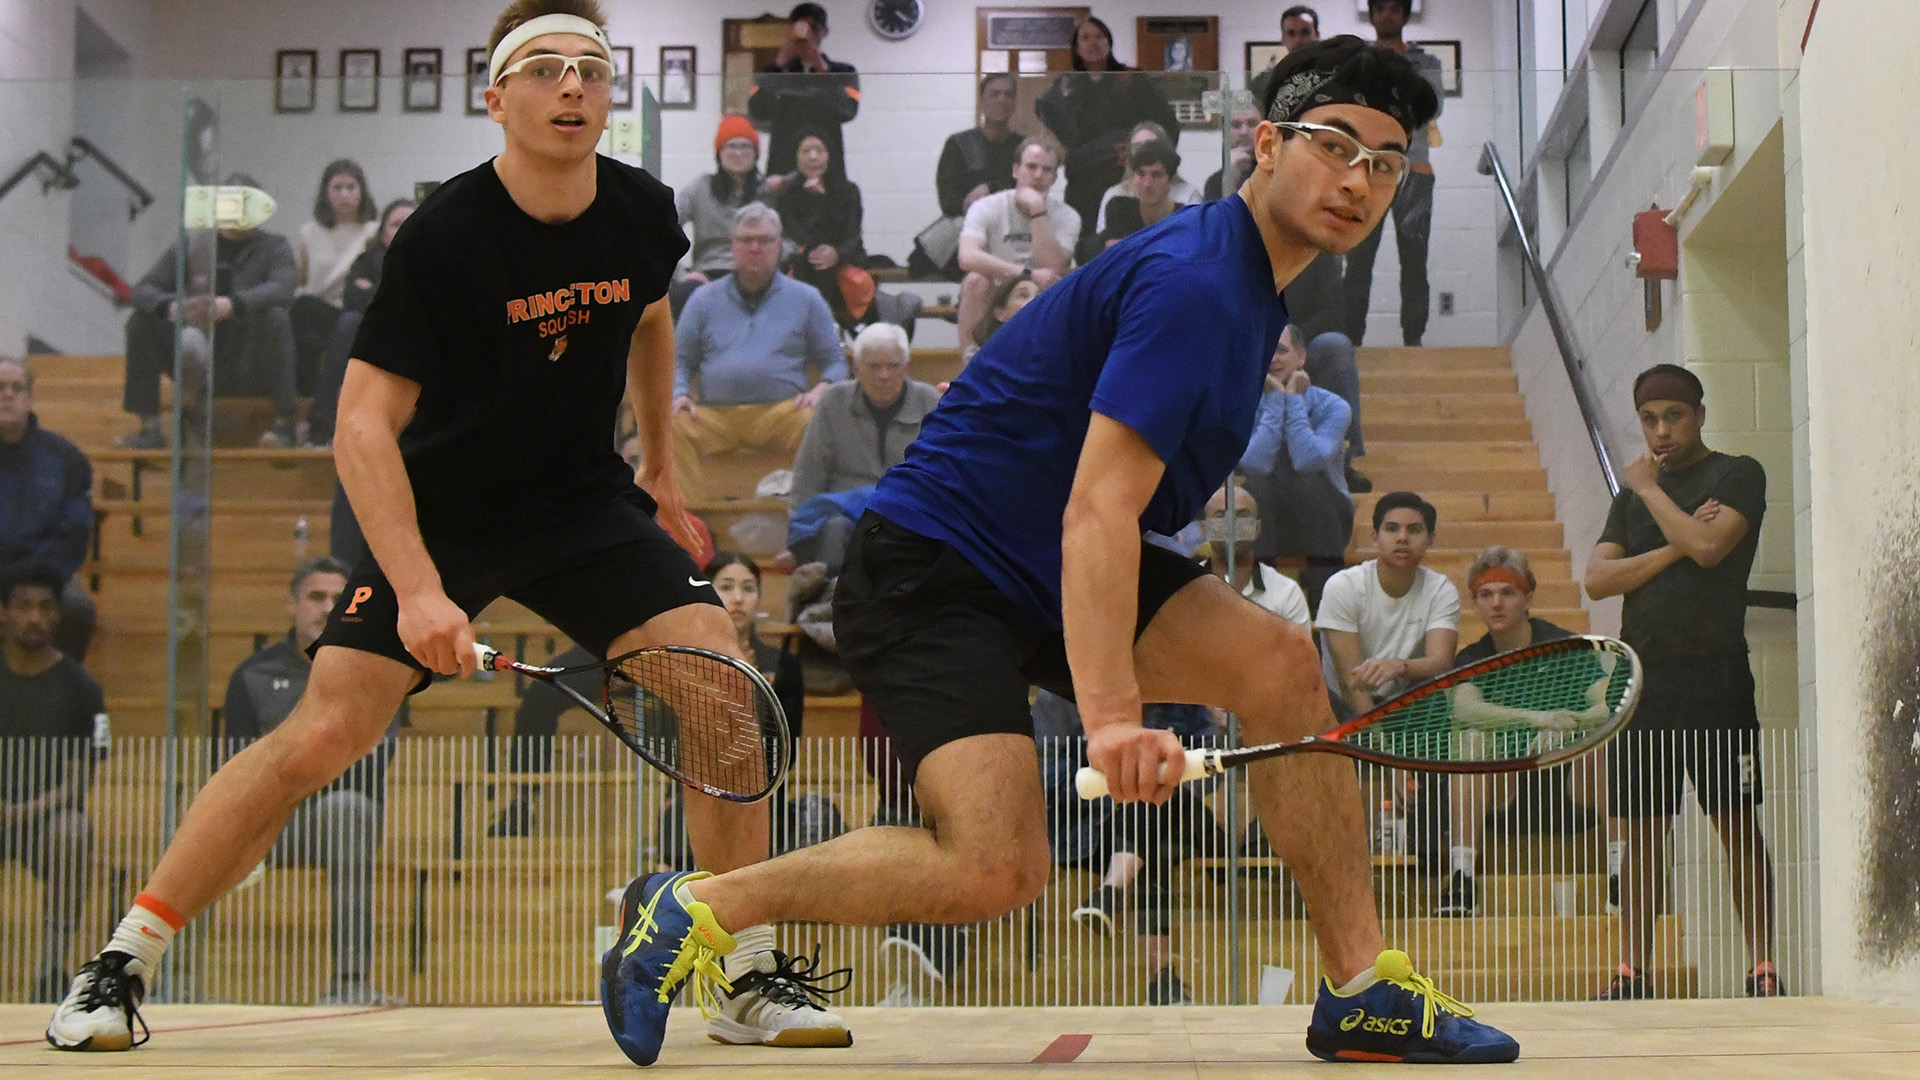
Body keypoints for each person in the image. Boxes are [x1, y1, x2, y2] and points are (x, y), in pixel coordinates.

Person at [603, 38, 1514, 1068]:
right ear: (1267, 145)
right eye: (1336, 144)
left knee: (1279, 665)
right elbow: (1098, 512)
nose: (1360, 179)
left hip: (1035, 559)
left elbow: (1103, 519)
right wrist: (1115, 720)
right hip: (935, 567)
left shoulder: (1253, 290)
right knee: (998, 870)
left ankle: (1363, 992)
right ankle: (695, 906)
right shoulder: (1201, 283)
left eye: (1387, 162)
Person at [49, 0, 850, 1054]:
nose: (572, 87)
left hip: (581, 502)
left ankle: (740, 972)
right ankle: (120, 965)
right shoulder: (444, 238)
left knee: (725, 697)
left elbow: (649, 316)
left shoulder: (643, 208)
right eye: (545, 68)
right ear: (497, 96)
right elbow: (360, 428)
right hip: (447, 512)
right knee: (326, 733)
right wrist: (421, 588)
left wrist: (657, 463)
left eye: (592, 70)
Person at [1585, 363, 1779, 1001]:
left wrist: (1654, 495)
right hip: (1644, 683)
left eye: (1674, 416)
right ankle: (1632, 971)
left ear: (1698, 413)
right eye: (1649, 419)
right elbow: (1599, 580)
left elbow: (1711, 550)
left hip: (1716, 675)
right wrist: (1675, 541)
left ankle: (1762, 968)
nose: (1662, 430)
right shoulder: (1632, 496)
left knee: (1735, 824)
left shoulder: (1737, 474)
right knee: (1640, 832)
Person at [219, 557, 399, 1005]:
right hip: (268, 822)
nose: (326, 608)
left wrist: (284, 756)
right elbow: (237, 766)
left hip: (341, 820)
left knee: (346, 809)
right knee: (195, 819)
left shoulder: (378, 672)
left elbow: (370, 765)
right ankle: (176, 983)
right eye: (315, 597)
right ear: (292, 604)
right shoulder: (252, 675)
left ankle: (350, 983)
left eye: (339, 598)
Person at [1432, 547, 1613, 918]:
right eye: (1486, 594)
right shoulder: (1474, 656)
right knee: (1470, 740)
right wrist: (1538, 719)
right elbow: (1464, 708)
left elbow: (1608, 704)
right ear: (1476, 603)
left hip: (1570, 786)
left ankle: (1619, 876)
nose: (1496, 604)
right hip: (1505, 791)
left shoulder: (1564, 646)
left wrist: (1571, 727)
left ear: (1528, 597)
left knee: (1604, 741)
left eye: (1507, 593)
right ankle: (1462, 879)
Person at [1048, 691, 1219, 1006]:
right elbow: (1052, 779)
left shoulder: (1183, 700)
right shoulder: (1069, 705)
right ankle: (1163, 980)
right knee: (1152, 834)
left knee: (1154, 800)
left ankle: (1111, 891)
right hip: (1099, 830)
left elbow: (1214, 765)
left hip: (1182, 819)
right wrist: (1117, 781)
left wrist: (1166, 770)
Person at [672, 204, 848, 498]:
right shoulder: (702, 299)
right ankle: (691, 522)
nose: (755, 248)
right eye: (746, 240)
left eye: (765, 240)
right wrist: (679, 392)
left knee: (816, 421)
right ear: (733, 245)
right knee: (672, 423)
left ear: (779, 245)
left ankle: (802, 520)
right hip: (715, 417)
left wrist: (822, 390)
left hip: (781, 415)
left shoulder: (807, 298)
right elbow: (679, 359)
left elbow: (835, 362)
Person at [117, 173, 302, 450]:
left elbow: (284, 288)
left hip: (247, 361)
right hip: (196, 359)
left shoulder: (274, 247)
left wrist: (231, 305)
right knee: (141, 322)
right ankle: (149, 427)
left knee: (275, 317)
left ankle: (286, 424)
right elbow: (142, 291)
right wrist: (174, 306)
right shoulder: (191, 245)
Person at [0, 563, 106, 1004]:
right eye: (23, 607)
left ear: (58, 617)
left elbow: (78, 783)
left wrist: (16, 812)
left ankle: (49, 970)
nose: (35, 618)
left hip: (43, 821)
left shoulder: (82, 686)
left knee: (73, 832)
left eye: (45, 607)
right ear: (3, 613)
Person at [786, 323, 939, 572]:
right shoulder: (832, 401)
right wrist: (795, 536)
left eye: (893, 365)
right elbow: (808, 475)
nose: (884, 375)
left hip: (908, 512)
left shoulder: (929, 401)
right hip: (844, 514)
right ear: (856, 368)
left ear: (907, 367)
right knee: (834, 530)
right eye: (874, 366)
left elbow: (943, 475)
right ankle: (828, 603)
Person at [1340, 0, 1446, 347]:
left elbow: (1432, 108)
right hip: (1367, 169)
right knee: (1358, 260)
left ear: (1404, 14)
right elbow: (1351, 107)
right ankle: (1352, 340)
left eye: (1394, 8)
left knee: (1415, 261)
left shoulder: (1426, 62)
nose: (1387, 15)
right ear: (1371, 15)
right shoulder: (1356, 58)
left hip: (1413, 169)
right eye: (1380, 8)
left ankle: (1414, 341)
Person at [1237, 325, 1353, 614]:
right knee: (1255, 489)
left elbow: (1307, 461)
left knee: (1307, 483)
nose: (1272, 358)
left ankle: (1325, 610)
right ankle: (1262, 605)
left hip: (1326, 519)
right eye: (1266, 350)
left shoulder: (1333, 406)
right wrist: (1275, 401)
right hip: (1268, 521)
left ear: (1301, 358)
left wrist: (1294, 401)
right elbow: (1255, 464)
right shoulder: (1243, 404)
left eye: (1281, 350)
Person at [1318, 491, 1459, 715]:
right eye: (1392, 529)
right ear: (1375, 537)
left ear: (1430, 540)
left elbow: (1441, 661)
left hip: (1406, 702)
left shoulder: (1441, 589)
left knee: (1436, 702)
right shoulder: (1342, 586)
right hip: (1344, 706)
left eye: (1414, 530)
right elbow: (1350, 683)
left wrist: (1399, 666)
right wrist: (1375, 739)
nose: (1402, 538)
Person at [1035, 17, 1179, 229]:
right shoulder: (1067, 85)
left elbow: (1168, 125)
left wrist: (1151, 159)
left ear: (1109, 42)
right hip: (1083, 183)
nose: (1093, 43)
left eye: (1099, 36)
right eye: (1085, 38)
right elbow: (1048, 113)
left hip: (1126, 177)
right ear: (1076, 46)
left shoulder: (1131, 79)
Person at [0, 357, 97, 660]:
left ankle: (60, 693)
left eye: (17, 388)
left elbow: (75, 534)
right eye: (0, 388)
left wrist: (34, 579)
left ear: (29, 398)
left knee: (77, 609)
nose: (8, 395)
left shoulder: (66, 459)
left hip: (45, 577)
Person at [309, 198, 416, 452]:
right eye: (395, 224)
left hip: (416, 339)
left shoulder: (437, 260)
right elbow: (352, 299)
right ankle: (322, 425)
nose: (403, 229)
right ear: (382, 233)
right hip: (373, 335)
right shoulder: (367, 261)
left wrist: (375, 292)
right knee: (348, 323)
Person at [954, 139, 1080, 354]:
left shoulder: (1067, 216)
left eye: (1047, 169)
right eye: (1031, 166)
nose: (1038, 175)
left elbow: (1053, 264)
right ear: (1015, 170)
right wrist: (1024, 272)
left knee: (1055, 283)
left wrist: (1037, 210)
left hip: (1043, 289)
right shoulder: (986, 206)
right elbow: (967, 256)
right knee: (975, 281)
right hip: (998, 288)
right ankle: (970, 365)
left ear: (1054, 178)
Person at [291, 160, 379, 402]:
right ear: (326, 193)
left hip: (354, 309)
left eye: (351, 187)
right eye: (337, 188)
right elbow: (298, 279)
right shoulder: (309, 231)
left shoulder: (373, 231)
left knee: (349, 323)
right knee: (302, 310)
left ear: (361, 192)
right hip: (318, 310)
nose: (344, 195)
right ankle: (302, 402)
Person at [749, 3, 859, 184]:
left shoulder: (843, 72)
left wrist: (823, 70)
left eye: (814, 29)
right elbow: (757, 111)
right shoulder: (773, 72)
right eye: (800, 28)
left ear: (825, 32)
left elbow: (848, 110)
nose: (807, 35)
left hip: (827, 165)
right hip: (782, 165)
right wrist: (778, 66)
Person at [770, 129, 868, 328]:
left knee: (819, 262)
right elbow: (800, 235)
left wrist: (836, 253)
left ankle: (819, 325)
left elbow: (853, 237)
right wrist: (816, 200)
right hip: (805, 263)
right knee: (812, 259)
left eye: (819, 150)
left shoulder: (848, 191)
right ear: (796, 157)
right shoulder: (787, 193)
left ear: (830, 155)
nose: (813, 157)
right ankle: (822, 324)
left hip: (843, 262)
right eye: (805, 151)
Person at [669, 116, 764, 317]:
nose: (738, 153)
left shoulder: (768, 190)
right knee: (683, 296)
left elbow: (789, 237)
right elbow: (662, 229)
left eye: (745, 147)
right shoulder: (700, 187)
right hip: (708, 273)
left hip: (758, 273)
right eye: (731, 146)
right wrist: (682, 274)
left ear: (756, 153)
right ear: (719, 153)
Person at [1201, 482, 1310, 629]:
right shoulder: (1182, 589)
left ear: (1257, 528)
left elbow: (1299, 651)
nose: (1232, 526)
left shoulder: (1286, 592)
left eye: (1242, 516)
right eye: (1221, 516)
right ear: (1204, 528)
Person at [935, 74, 1024, 222]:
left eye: (1008, 95)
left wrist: (991, 188)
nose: (1001, 100)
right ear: (982, 102)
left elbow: (1029, 189)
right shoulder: (958, 144)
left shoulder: (1025, 147)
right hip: (968, 228)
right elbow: (949, 203)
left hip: (1013, 230)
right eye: (994, 94)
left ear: (1014, 104)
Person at [1082, 140, 1185, 264]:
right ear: (1133, 177)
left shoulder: (1182, 217)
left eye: (1156, 175)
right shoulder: (1119, 206)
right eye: (1141, 174)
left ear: (1172, 180)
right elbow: (1118, 257)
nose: (1147, 184)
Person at [1091, 122, 1201, 235]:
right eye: (1137, 147)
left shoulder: (1188, 195)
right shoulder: (1116, 195)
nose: (1144, 151)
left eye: (1151, 144)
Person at [1202, 104, 1261, 201]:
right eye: (1236, 125)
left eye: (1252, 123)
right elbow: (1221, 216)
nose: (1244, 132)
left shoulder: (1280, 172)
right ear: (1224, 133)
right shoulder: (1215, 183)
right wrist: (1230, 179)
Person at [971, 271, 1041, 349]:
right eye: (1023, 295)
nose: (1034, 301)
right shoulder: (982, 355)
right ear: (1000, 313)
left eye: (1037, 297)